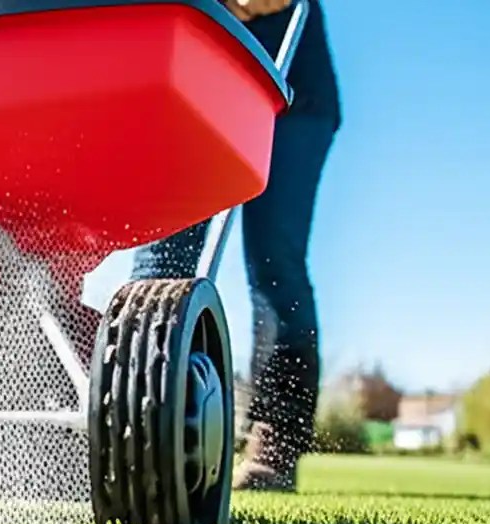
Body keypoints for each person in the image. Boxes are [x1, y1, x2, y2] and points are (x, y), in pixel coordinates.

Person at [129, 0, 341, 491]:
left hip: (293, 83)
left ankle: (276, 439)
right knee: (165, 254)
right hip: (193, 60)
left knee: (275, 263)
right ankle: (138, 419)